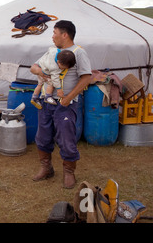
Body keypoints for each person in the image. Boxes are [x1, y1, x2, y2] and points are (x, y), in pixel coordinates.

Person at [30, 20, 92, 189]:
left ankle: (69, 173)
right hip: (45, 101)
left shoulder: (79, 53)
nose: (52, 37)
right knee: (42, 136)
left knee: (66, 138)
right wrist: (43, 72)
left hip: (65, 103)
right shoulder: (51, 52)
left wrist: (69, 97)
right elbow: (34, 67)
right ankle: (46, 168)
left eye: (54, 33)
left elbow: (87, 77)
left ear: (64, 35)